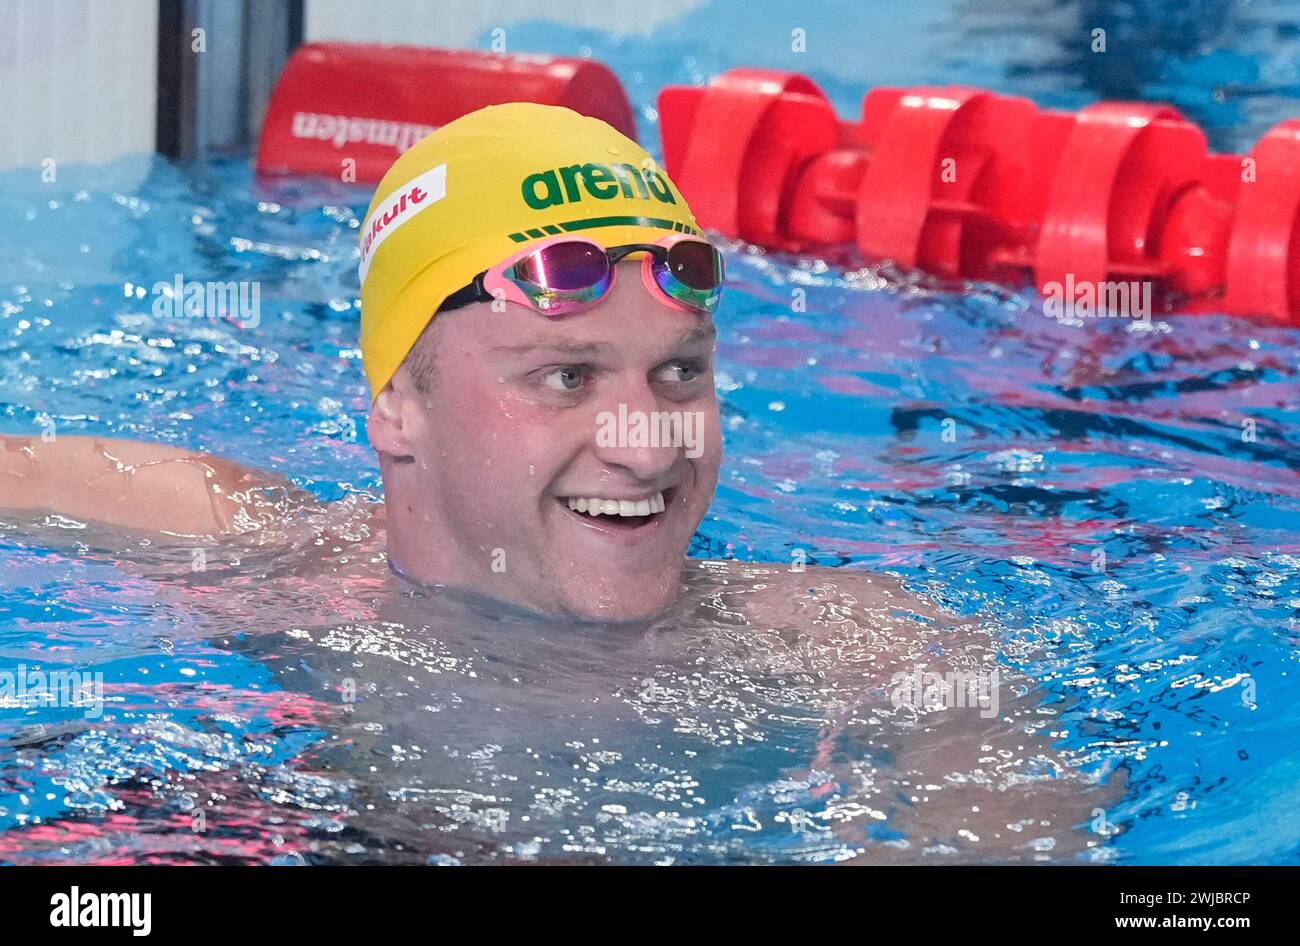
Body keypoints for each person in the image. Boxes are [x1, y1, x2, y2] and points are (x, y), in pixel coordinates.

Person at [0, 104, 1120, 860]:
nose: (644, 443)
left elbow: (1006, 815)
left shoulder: (848, 645)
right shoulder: (235, 542)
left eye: (679, 369)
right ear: (399, 406)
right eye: (566, 374)